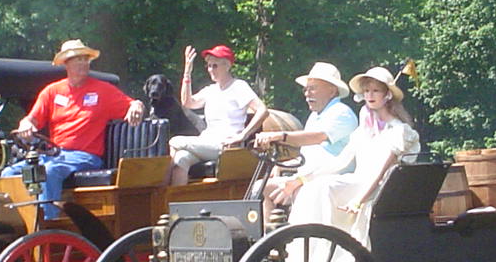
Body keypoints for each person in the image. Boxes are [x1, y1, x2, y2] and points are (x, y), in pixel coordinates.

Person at [286, 66, 420, 249]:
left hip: (379, 189)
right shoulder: (363, 131)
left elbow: (381, 173)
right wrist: (302, 178)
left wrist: (359, 200)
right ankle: (301, 247)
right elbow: (340, 161)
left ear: (387, 95)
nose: (370, 95)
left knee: (325, 188)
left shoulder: (398, 131)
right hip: (357, 181)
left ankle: (325, 249)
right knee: (313, 186)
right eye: (366, 91)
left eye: (375, 91)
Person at [13, 39, 144, 214]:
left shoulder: (103, 90)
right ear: (66, 63)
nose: (83, 62)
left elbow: (133, 104)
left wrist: (137, 106)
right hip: (54, 155)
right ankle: (20, 225)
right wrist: (26, 125)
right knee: (9, 173)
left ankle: (48, 226)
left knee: (49, 171)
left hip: (86, 157)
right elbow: (31, 120)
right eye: (78, 59)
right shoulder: (52, 91)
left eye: (85, 59)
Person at [252, 62, 359, 212]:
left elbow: (317, 137)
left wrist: (279, 136)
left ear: (332, 90)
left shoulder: (342, 113)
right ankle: (268, 233)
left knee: (298, 190)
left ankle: (293, 233)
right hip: (309, 177)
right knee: (260, 187)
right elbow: (308, 155)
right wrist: (281, 165)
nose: (307, 93)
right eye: (306, 89)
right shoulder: (314, 116)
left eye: (313, 88)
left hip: (332, 179)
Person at [166, 44, 268, 186]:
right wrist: (187, 72)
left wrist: (243, 135)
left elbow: (263, 110)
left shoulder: (239, 87)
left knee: (175, 141)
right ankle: (174, 204)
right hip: (207, 142)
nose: (210, 70)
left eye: (215, 66)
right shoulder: (210, 90)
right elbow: (187, 102)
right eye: (208, 66)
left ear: (227, 66)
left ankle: (160, 188)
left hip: (226, 146)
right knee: (180, 160)